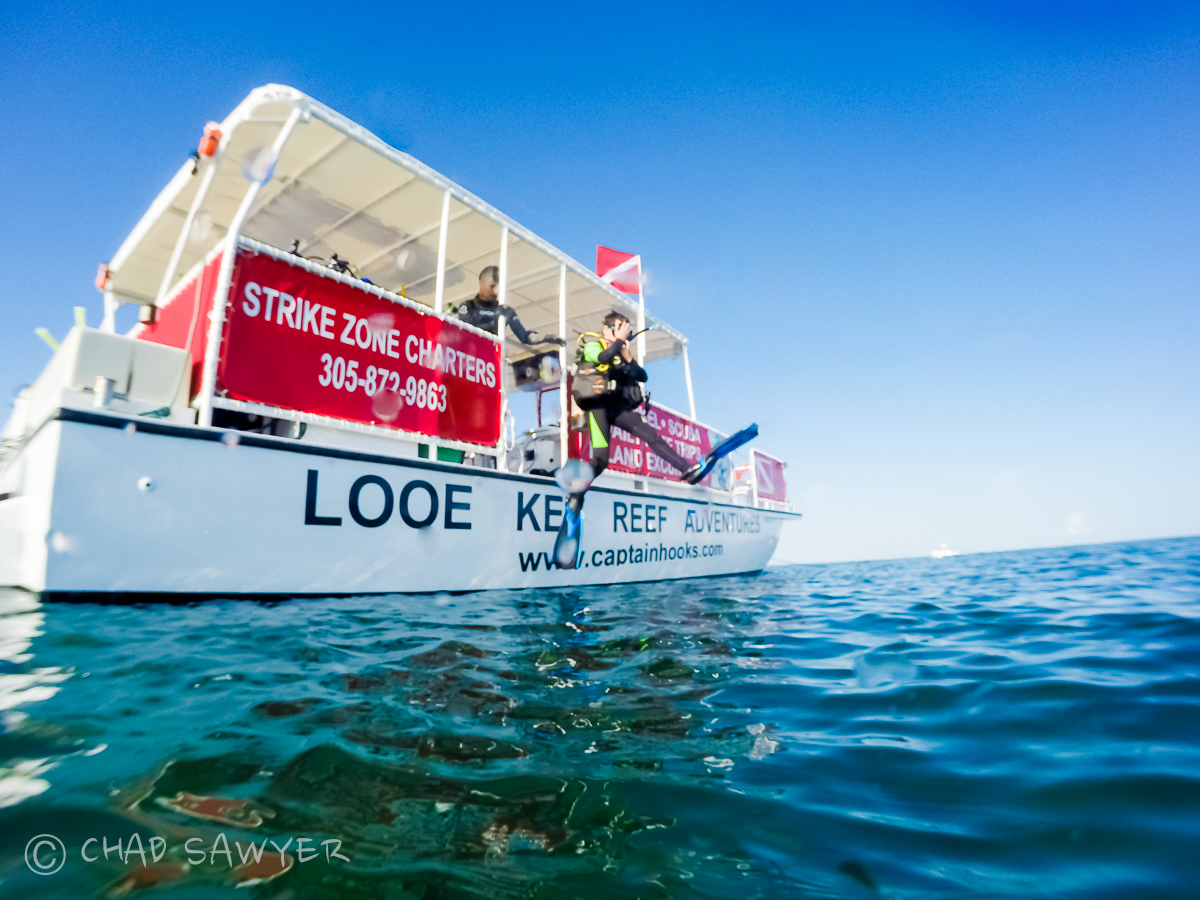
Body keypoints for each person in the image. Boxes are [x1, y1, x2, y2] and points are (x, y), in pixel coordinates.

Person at [576, 311, 702, 487]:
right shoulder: (592, 346)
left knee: (651, 435)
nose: (622, 335)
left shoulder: (621, 355)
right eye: (618, 329)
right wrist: (619, 341)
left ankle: (687, 469)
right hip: (597, 408)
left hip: (617, 408)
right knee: (601, 460)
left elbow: (642, 377)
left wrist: (629, 359)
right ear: (606, 330)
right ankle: (576, 488)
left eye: (624, 331)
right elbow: (603, 357)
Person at [454, 266, 564, 346]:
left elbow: (524, 336)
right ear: (481, 283)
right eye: (492, 287)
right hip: (470, 357)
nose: (495, 292)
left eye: (497, 288)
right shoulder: (468, 306)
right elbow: (467, 332)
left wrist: (545, 338)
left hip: (491, 362)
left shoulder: (506, 311)